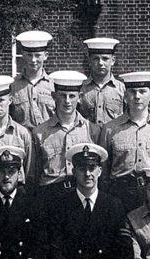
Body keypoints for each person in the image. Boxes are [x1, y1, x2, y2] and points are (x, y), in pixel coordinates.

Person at [99, 71, 150, 213]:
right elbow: (104, 169)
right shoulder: (110, 129)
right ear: (125, 96)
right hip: (120, 194)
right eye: (132, 92)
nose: (137, 96)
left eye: (142, 91)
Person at [32, 70, 100, 202]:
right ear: (54, 96)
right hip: (50, 194)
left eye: (72, 96)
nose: (67, 101)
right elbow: (34, 174)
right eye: (62, 96)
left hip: (81, 193)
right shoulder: (39, 132)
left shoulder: (93, 130)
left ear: (80, 97)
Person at [9, 30, 56, 130]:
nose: (33, 60)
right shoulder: (12, 86)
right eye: (29, 55)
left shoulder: (54, 85)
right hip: (22, 138)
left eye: (37, 55)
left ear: (46, 56)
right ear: (23, 55)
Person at [77, 38, 126, 125]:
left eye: (105, 58)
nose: (100, 63)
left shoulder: (122, 89)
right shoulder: (80, 88)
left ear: (113, 60)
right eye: (96, 59)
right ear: (89, 61)